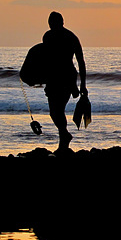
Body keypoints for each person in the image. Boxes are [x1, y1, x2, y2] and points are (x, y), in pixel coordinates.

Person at [42, 11, 88, 153]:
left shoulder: (71, 37)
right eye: (50, 23)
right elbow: (44, 59)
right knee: (53, 112)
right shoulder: (47, 36)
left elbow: (81, 62)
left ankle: (63, 141)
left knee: (59, 109)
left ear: (62, 22)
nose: (52, 26)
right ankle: (64, 134)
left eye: (55, 23)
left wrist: (83, 86)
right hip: (52, 78)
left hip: (67, 77)